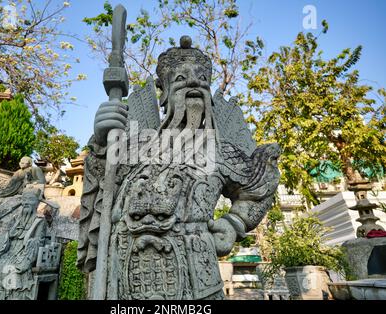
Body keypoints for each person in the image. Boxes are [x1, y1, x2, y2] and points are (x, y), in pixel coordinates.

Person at [77, 35, 280, 300]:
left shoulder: (219, 150)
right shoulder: (137, 143)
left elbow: (258, 186)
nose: (195, 82)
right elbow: (104, 184)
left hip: (197, 277)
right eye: (182, 79)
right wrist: (102, 141)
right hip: (125, 273)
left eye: (202, 79)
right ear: (164, 92)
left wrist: (234, 223)